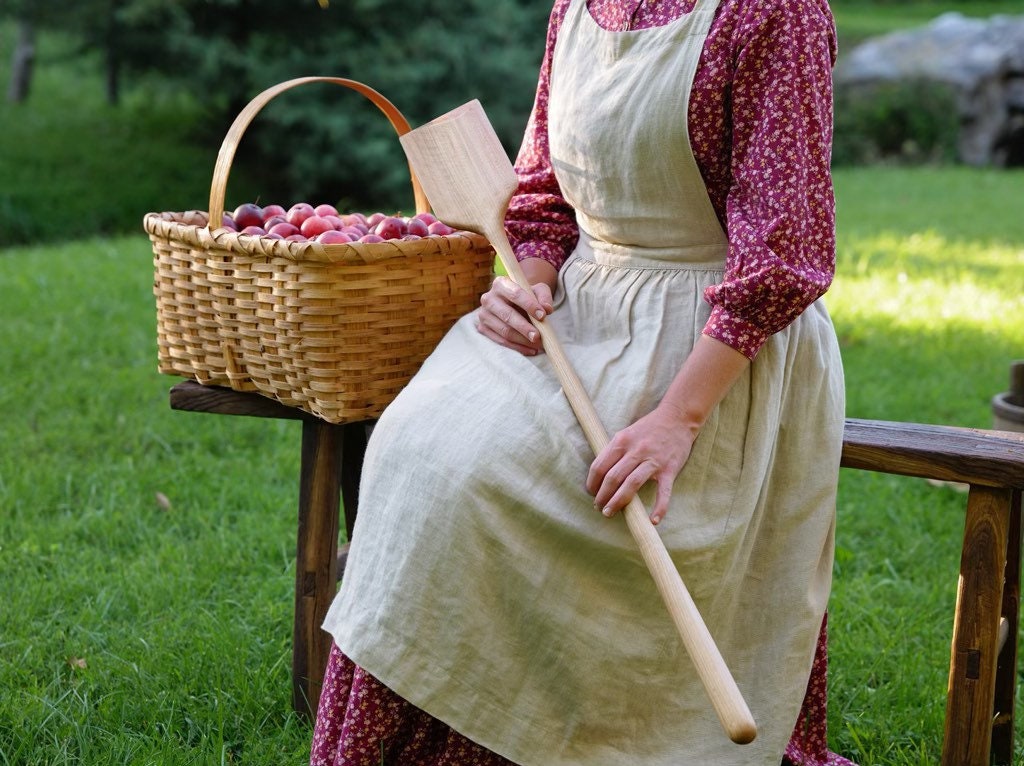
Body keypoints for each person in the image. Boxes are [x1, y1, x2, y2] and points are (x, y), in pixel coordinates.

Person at [310, 0, 851, 763]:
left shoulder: (775, 12)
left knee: (487, 480)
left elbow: (783, 249)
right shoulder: (579, 5)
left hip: (714, 346)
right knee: (418, 448)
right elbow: (541, 197)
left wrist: (677, 421)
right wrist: (526, 283)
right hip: (576, 311)